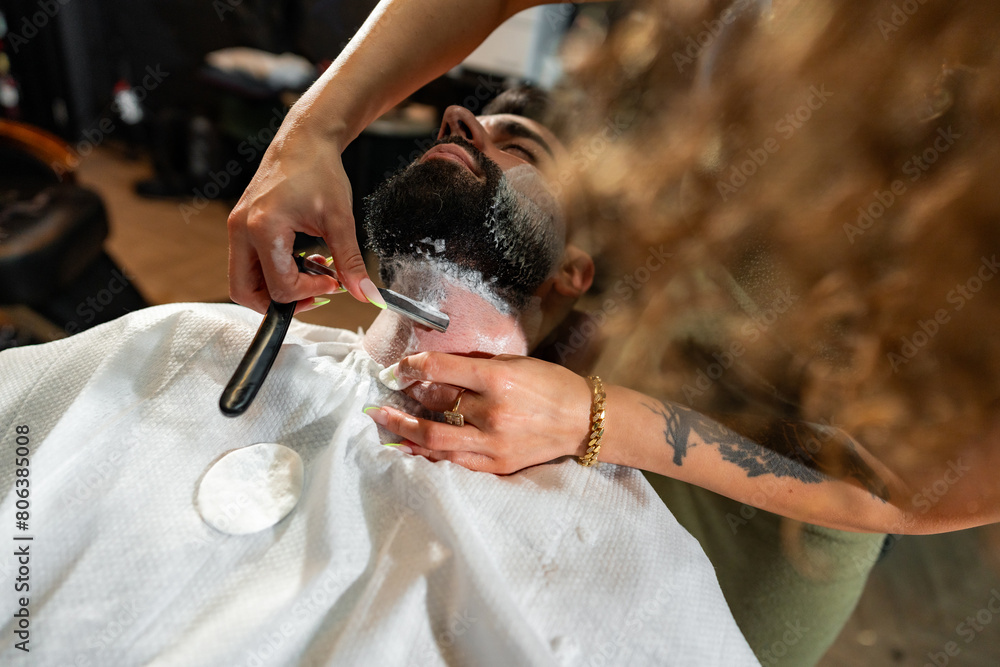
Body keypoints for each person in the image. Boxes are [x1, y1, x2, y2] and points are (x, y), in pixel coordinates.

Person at [0, 95, 759, 665]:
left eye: (518, 142)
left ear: (572, 269)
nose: (459, 120)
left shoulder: (602, 534)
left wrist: (598, 416)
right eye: (466, 123)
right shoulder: (185, 339)